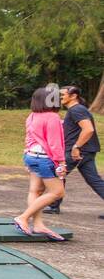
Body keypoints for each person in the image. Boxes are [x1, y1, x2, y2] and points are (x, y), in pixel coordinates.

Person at [14, 86, 68, 239]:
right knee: (57, 192)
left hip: (31, 156)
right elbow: (55, 143)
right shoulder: (52, 117)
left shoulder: (32, 116)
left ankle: (38, 225)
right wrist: (61, 163)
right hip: (45, 158)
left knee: (35, 191)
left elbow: (29, 139)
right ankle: (23, 217)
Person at [45, 84, 104, 219]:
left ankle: (53, 205)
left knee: (58, 174)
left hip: (77, 151)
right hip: (85, 151)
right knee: (94, 180)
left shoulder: (77, 110)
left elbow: (88, 129)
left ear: (73, 96)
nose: (60, 97)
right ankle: (54, 205)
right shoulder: (75, 110)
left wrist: (76, 147)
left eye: (62, 95)